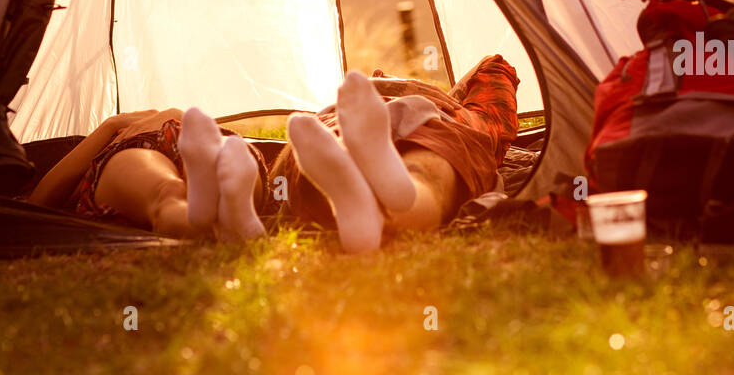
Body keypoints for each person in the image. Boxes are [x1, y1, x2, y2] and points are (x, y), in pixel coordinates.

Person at [272, 55, 519, 253]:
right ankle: (391, 194)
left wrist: (449, 95)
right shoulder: (469, 118)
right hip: (419, 118)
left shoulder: (358, 94)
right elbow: (495, 69)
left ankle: (359, 198)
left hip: (347, 116)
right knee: (432, 164)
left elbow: (494, 65)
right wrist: (449, 95)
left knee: (322, 145)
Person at [28, 107, 268, 241]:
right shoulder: (113, 134)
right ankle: (232, 209)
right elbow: (38, 203)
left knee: (169, 191)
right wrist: (111, 125)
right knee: (217, 164)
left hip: (181, 136)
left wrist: (173, 113)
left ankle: (213, 217)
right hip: (142, 144)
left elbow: (38, 200)